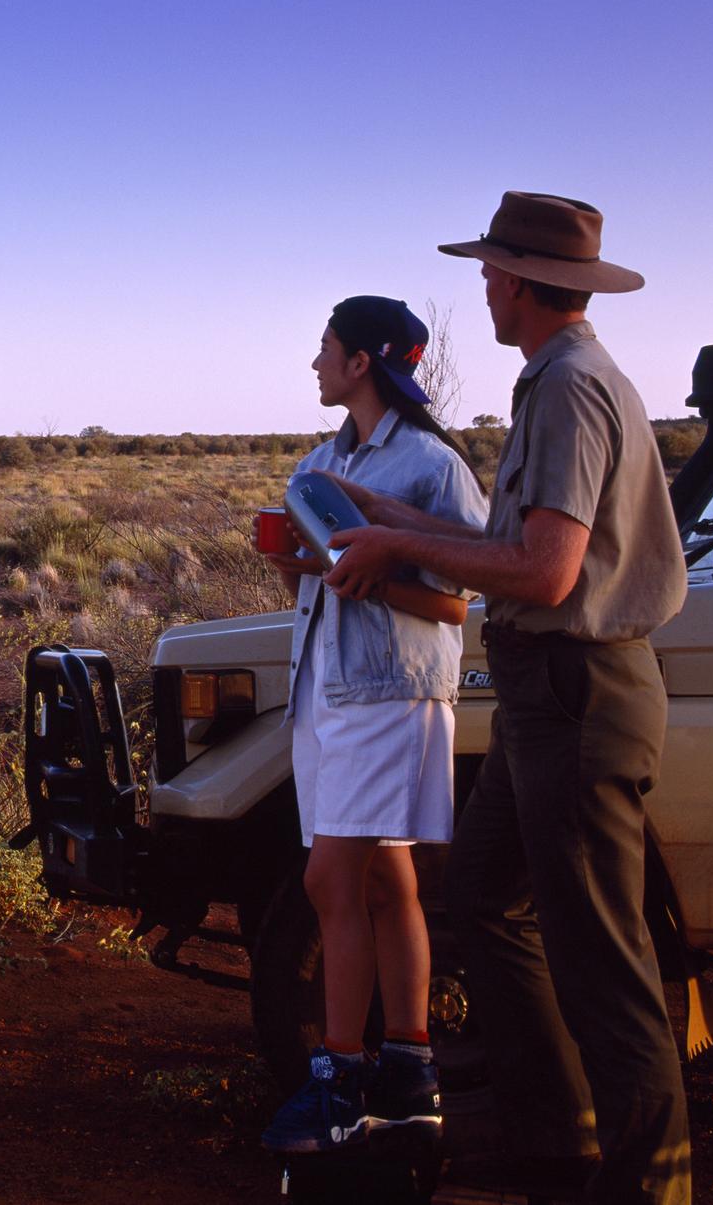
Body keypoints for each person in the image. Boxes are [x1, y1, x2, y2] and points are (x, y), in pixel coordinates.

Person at [324, 192, 690, 1205]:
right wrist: (381, 510)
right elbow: (511, 547)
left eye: (489, 269)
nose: (480, 283)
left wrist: (399, 544)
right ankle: (554, 1142)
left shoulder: (569, 386)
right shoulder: (552, 378)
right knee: (485, 897)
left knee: (603, 970)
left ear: (522, 280)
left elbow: (543, 571)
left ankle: (647, 1186)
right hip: (547, 701)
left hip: (575, 698)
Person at [259, 296, 488, 1156]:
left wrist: (374, 580)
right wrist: (297, 568)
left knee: (329, 882)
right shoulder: (322, 461)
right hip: (327, 685)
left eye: (325, 348)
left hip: (391, 695)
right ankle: (410, 1070)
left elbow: (458, 601)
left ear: (362, 361)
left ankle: (341, 1081)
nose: (316, 362)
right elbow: (318, 584)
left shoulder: (431, 466)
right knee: (387, 881)